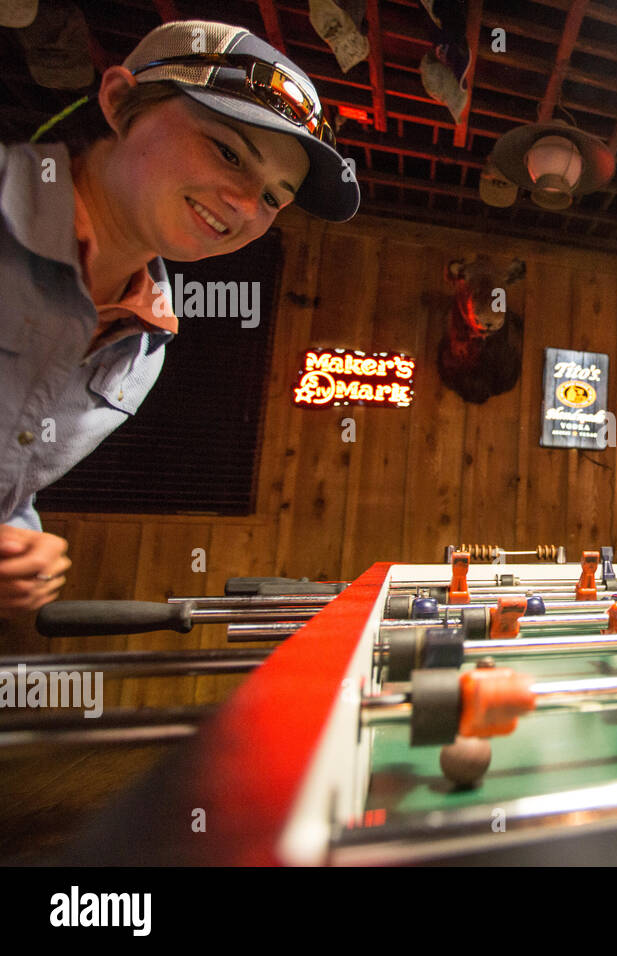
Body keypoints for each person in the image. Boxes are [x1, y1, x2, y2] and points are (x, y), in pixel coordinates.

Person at [0, 20, 360, 617]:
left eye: (274, 198)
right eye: (227, 151)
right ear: (120, 103)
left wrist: (19, 535)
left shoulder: (143, 350)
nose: (247, 205)